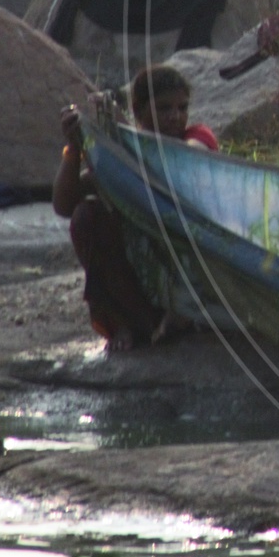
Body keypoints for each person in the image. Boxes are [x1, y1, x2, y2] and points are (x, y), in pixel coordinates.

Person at [54, 64, 217, 350]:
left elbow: (187, 157)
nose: (175, 117)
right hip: (140, 281)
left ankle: (182, 313)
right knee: (86, 216)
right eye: (164, 108)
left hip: (188, 274)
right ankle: (126, 322)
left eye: (182, 108)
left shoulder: (196, 137)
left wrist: (122, 136)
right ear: (140, 112)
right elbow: (64, 204)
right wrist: (74, 147)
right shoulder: (123, 161)